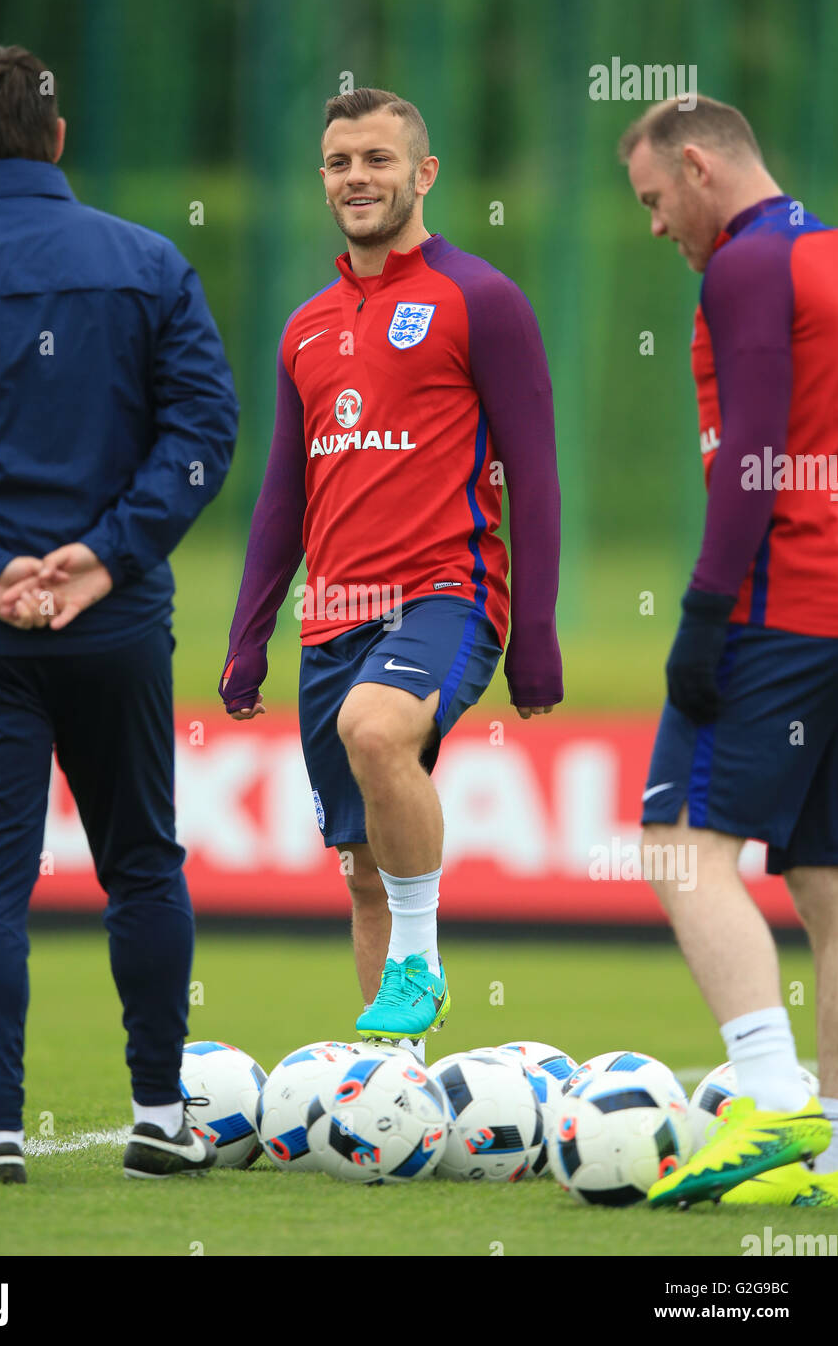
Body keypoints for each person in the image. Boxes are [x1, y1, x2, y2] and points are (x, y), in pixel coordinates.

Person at [0, 44, 239, 1182]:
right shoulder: (148, 262)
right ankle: (162, 1115)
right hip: (115, 623)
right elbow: (202, 435)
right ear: (58, 138)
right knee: (142, 862)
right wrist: (105, 557)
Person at [219, 88, 562, 1056]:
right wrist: (247, 640)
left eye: (376, 159)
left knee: (374, 731)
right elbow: (283, 497)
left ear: (424, 172)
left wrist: (534, 636)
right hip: (328, 618)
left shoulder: (480, 300)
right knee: (362, 870)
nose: (357, 178)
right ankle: (392, 1089)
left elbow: (534, 477)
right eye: (339, 163)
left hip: (443, 597)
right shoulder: (303, 328)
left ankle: (421, 963)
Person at [621, 95, 837, 1206]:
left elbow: (753, 450)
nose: (658, 226)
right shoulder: (830, 255)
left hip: (779, 603)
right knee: (824, 879)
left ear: (698, 166)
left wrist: (706, 611)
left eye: (656, 200)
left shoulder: (748, 267)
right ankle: (835, 1149)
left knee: (673, 844)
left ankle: (766, 1094)